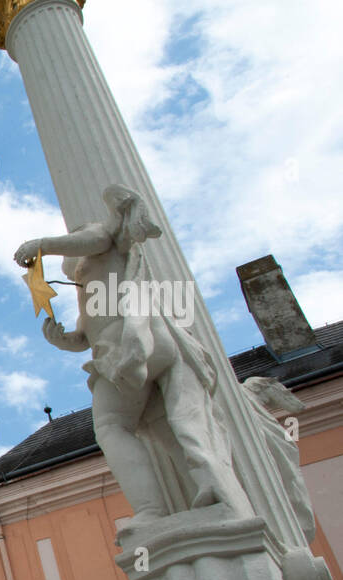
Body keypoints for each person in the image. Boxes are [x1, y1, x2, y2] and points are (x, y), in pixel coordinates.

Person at [15, 185, 249, 523]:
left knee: (111, 425)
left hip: (131, 343)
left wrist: (43, 245)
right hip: (145, 345)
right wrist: (63, 340)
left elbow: (94, 240)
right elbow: (84, 336)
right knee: (165, 425)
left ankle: (150, 510)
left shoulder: (95, 242)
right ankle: (210, 484)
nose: (66, 269)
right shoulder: (93, 283)